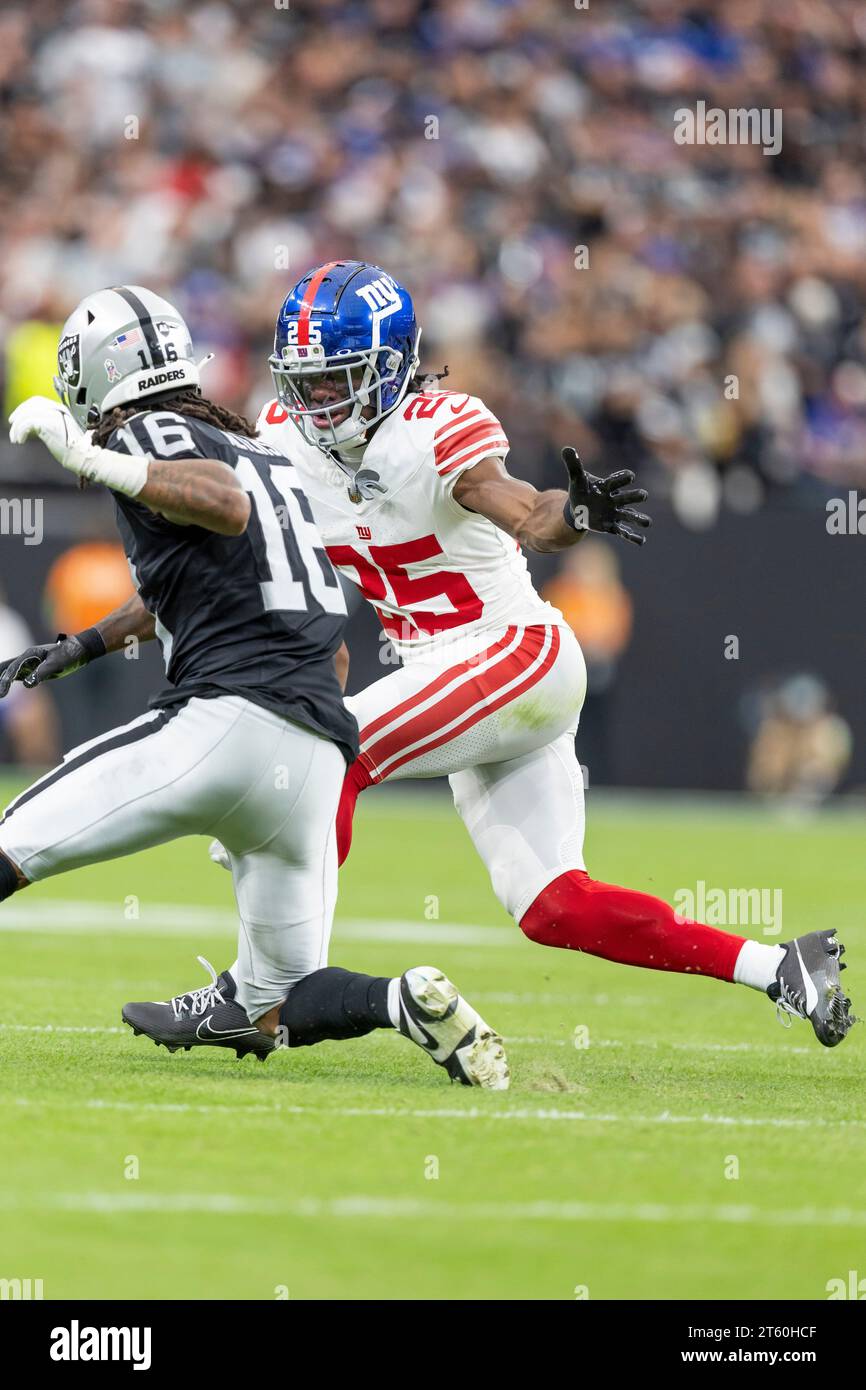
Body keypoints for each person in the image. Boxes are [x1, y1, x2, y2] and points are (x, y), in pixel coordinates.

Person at [24, 264, 855, 1051]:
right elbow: (222, 571)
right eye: (303, 377)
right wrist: (91, 641)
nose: (315, 398)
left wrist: (575, 518)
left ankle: (258, 995)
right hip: (449, 680)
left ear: (390, 367)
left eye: (336, 376)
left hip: (511, 653)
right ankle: (782, 967)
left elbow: (526, 510)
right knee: (554, 907)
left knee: (322, 748)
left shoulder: (436, 428)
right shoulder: (280, 436)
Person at [0, 283, 509, 1091]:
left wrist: (91, 457)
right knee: (274, 1002)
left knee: (11, 842)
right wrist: (86, 644)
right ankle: (402, 1002)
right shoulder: (262, 450)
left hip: (225, 727)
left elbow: (224, 508)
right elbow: (312, 632)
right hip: (312, 754)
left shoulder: (150, 432)